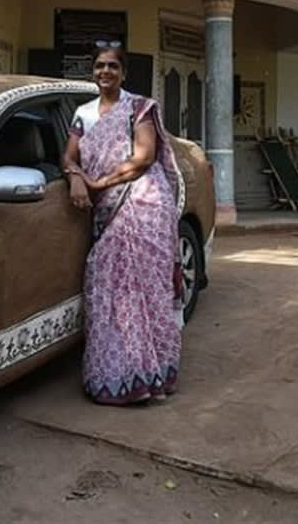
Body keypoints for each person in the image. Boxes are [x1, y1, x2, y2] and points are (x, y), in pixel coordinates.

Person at [62, 42, 186, 406]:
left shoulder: (138, 107)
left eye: (113, 66)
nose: (105, 72)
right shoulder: (83, 113)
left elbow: (144, 157)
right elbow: (69, 155)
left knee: (144, 292)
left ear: (123, 72)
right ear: (92, 71)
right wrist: (74, 177)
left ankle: (152, 373)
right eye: (100, 66)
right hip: (105, 209)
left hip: (142, 202)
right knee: (107, 286)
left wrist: (98, 183)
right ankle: (113, 376)